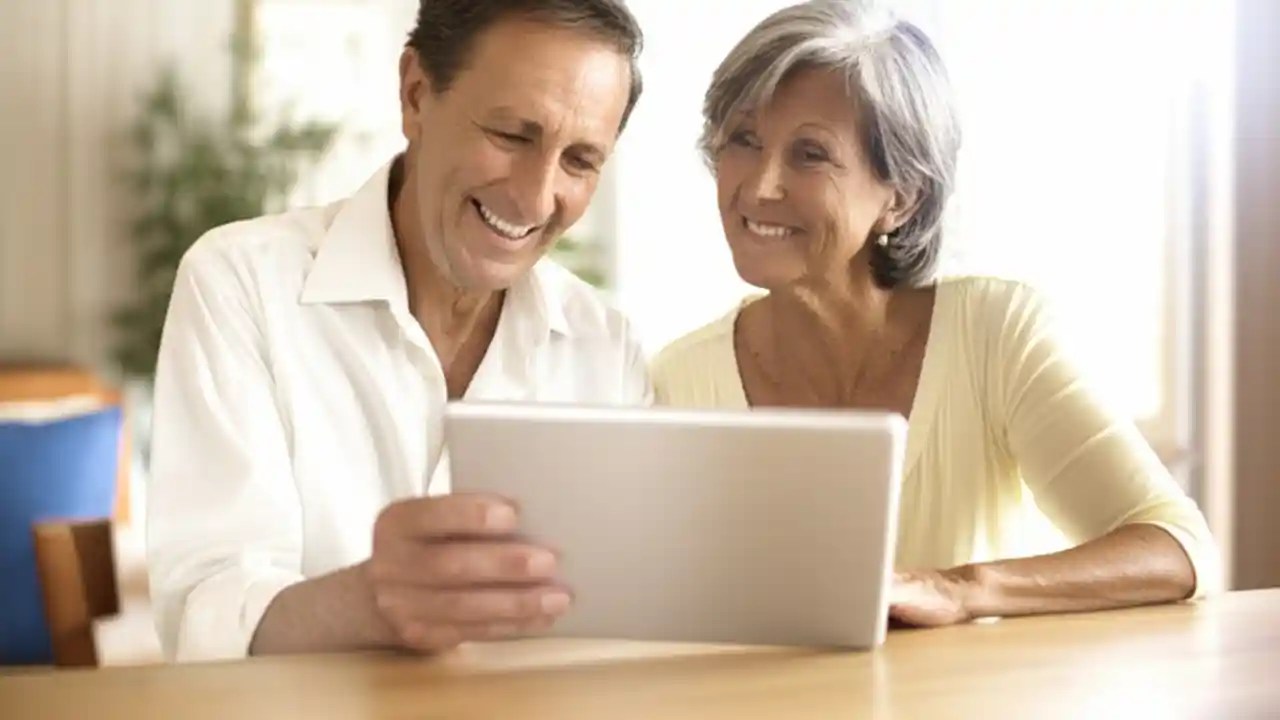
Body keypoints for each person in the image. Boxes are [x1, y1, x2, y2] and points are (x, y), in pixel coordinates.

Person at [651, 0, 1220, 626]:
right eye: (744, 140)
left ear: (900, 198)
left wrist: (959, 589)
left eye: (810, 154)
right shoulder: (677, 382)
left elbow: (1177, 550)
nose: (760, 186)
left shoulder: (996, 335)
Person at [147, 0, 648, 662]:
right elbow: (203, 616)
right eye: (511, 135)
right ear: (416, 94)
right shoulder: (241, 283)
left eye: (580, 160)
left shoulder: (605, 349)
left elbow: (620, 629)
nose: (534, 198)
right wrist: (375, 600)